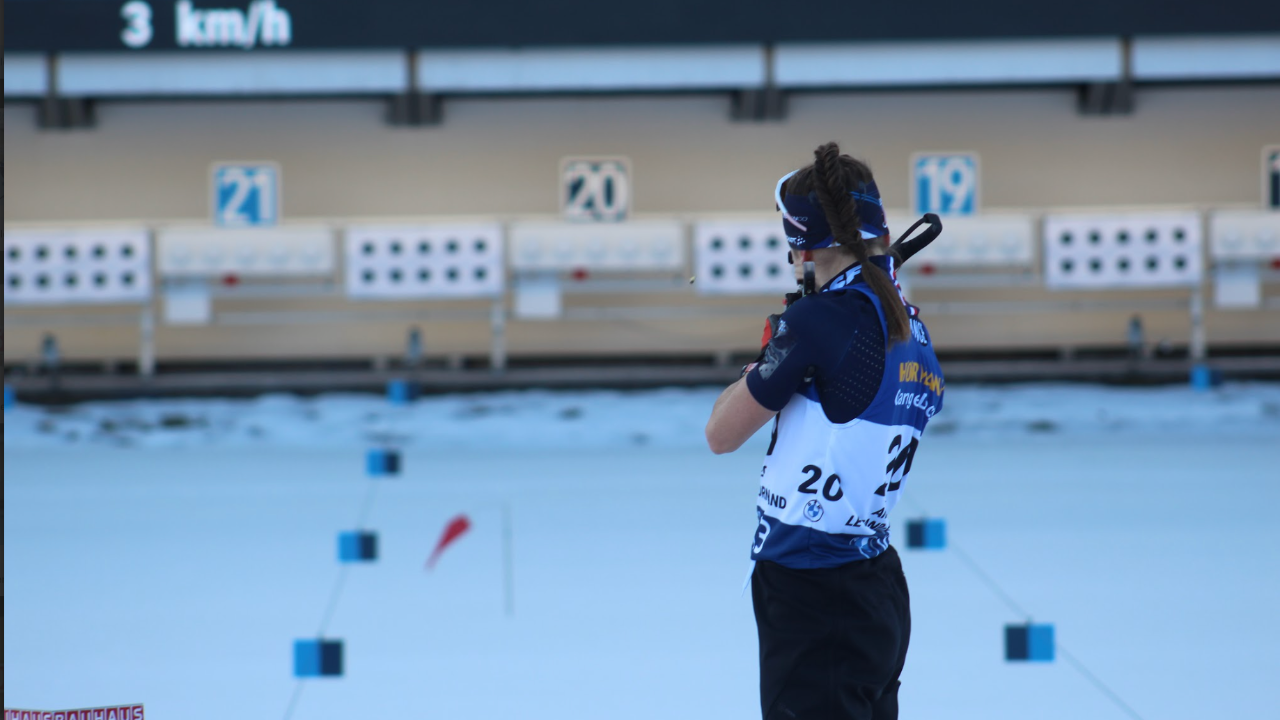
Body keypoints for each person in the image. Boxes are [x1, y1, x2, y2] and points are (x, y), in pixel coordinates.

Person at [705, 142, 945, 720]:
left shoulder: (819, 322)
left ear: (805, 246)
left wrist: (770, 358)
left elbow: (720, 433)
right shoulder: (909, 324)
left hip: (814, 590)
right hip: (874, 585)